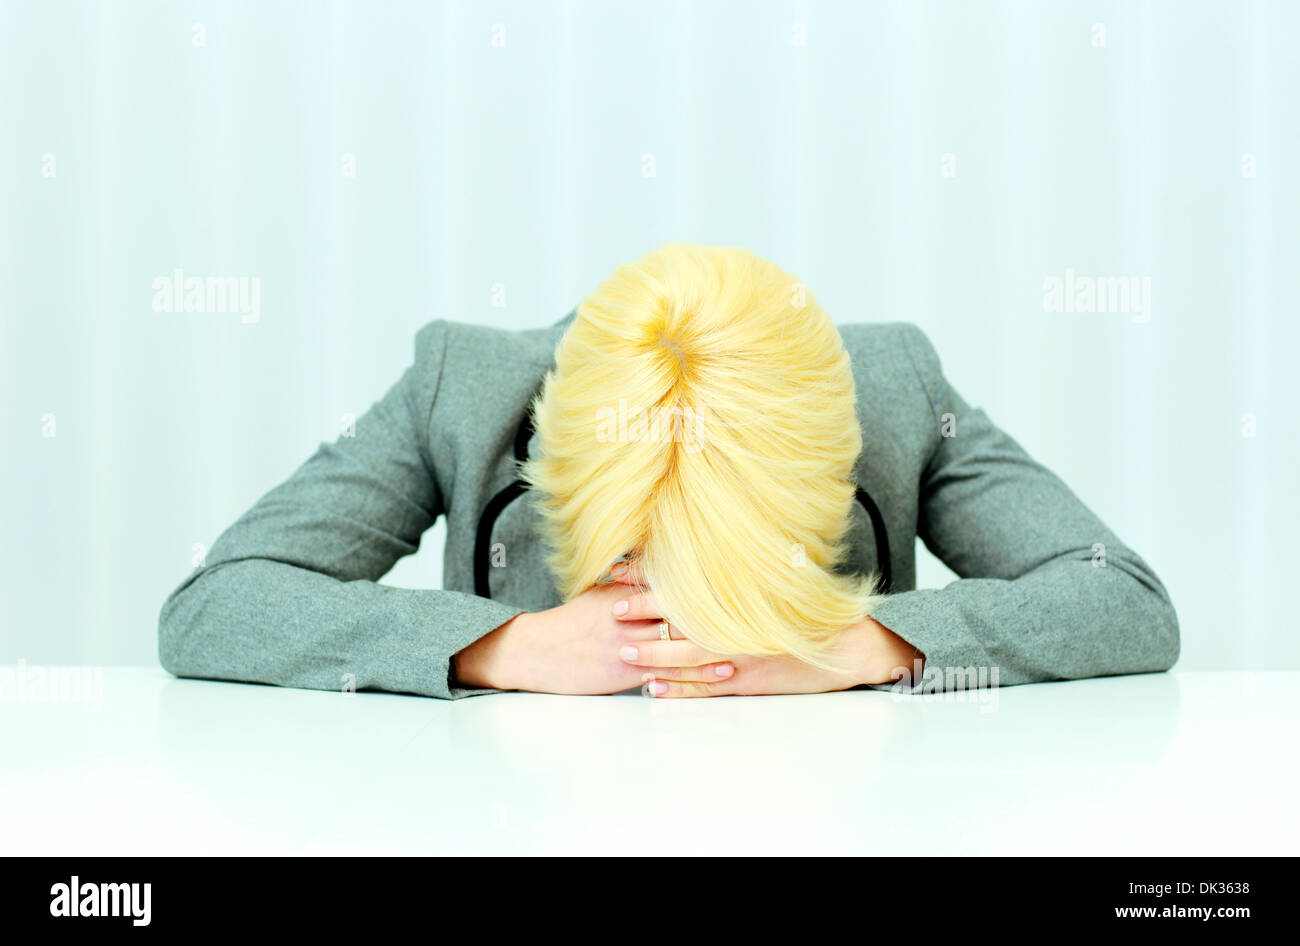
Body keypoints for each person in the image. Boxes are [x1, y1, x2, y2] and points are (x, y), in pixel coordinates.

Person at [158, 243, 1179, 700]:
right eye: (628, 553)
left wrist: (866, 643)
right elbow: (213, 604)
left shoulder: (893, 389)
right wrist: (494, 648)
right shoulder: (462, 386)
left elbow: (1123, 599)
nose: (658, 595)